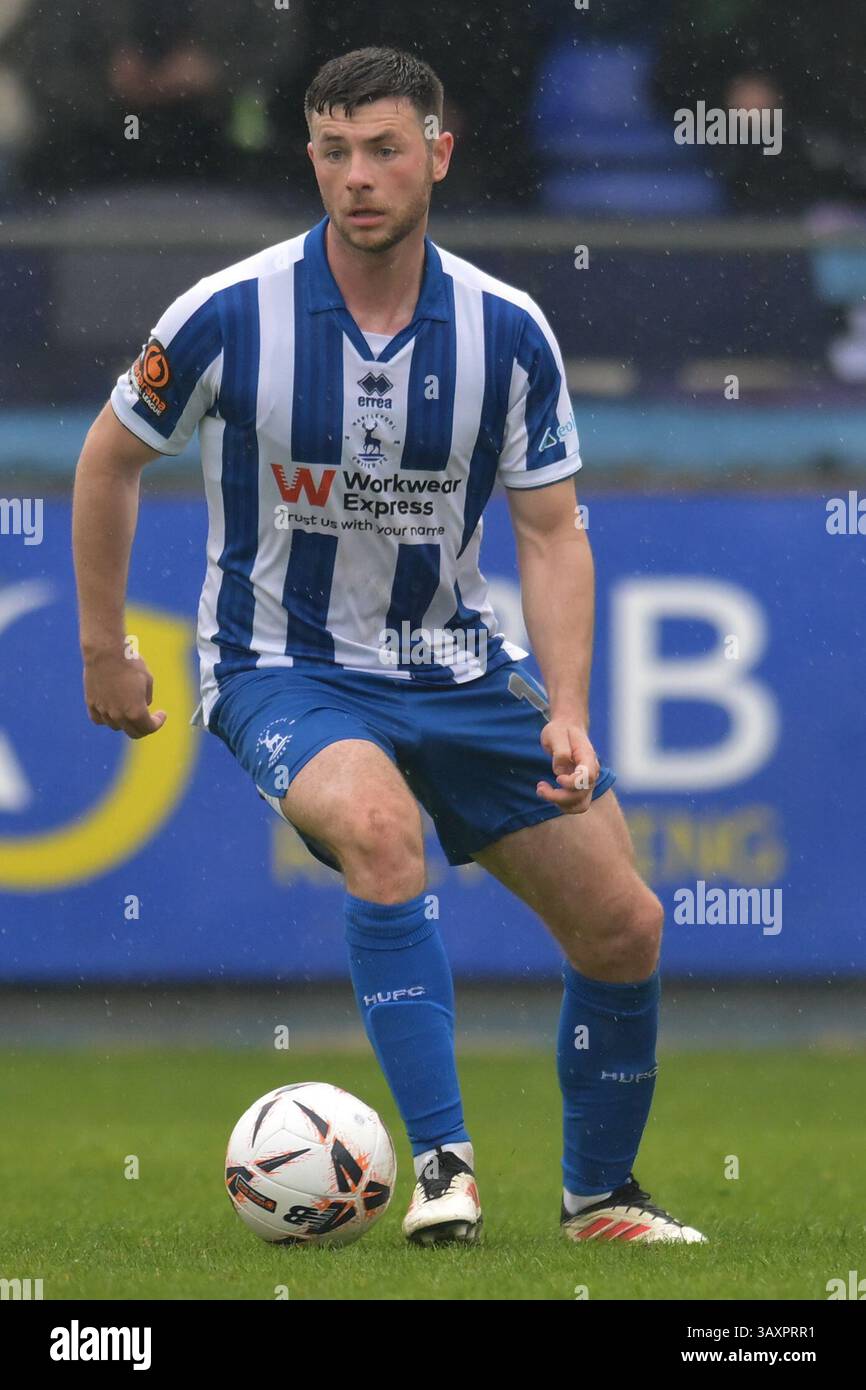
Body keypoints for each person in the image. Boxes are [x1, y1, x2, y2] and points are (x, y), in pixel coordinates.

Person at [72, 46, 705, 1246]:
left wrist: (566, 706)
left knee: (624, 925)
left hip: (456, 667)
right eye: (331, 150)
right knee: (377, 830)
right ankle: (443, 1166)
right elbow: (107, 458)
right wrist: (104, 650)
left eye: (382, 150)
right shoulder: (227, 309)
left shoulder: (505, 331)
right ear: (309, 154)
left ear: (437, 155)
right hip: (280, 665)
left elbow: (551, 530)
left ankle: (599, 1200)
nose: (355, 177)